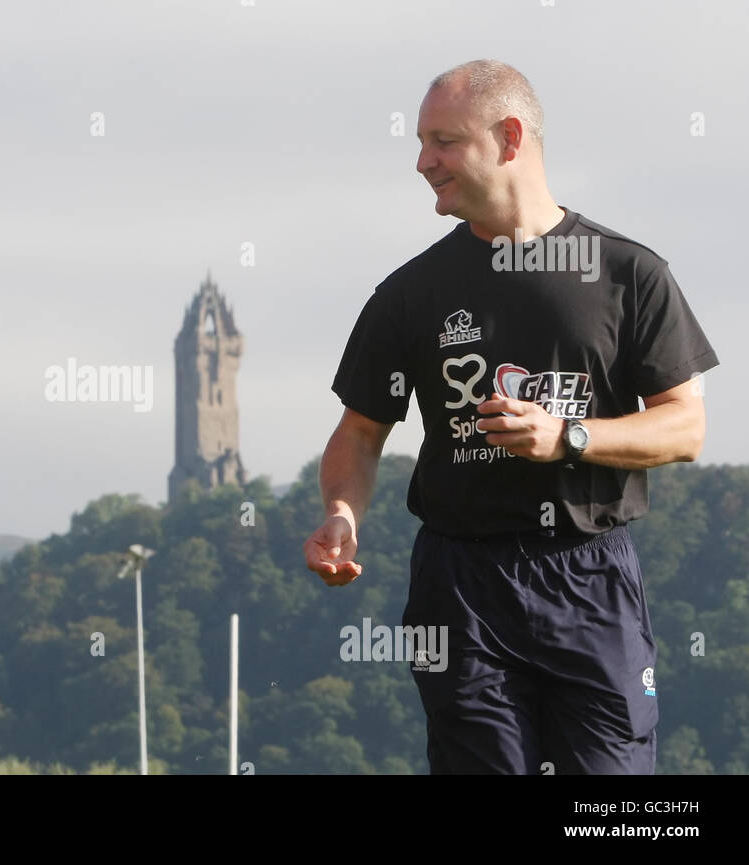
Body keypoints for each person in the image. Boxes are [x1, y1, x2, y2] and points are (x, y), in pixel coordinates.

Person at [304, 59, 718, 774]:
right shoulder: (408, 294)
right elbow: (360, 434)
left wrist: (568, 437)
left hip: (588, 574)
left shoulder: (627, 273)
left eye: (443, 141)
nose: (422, 161)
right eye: (420, 141)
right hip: (461, 583)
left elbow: (684, 427)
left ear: (510, 136)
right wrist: (342, 512)